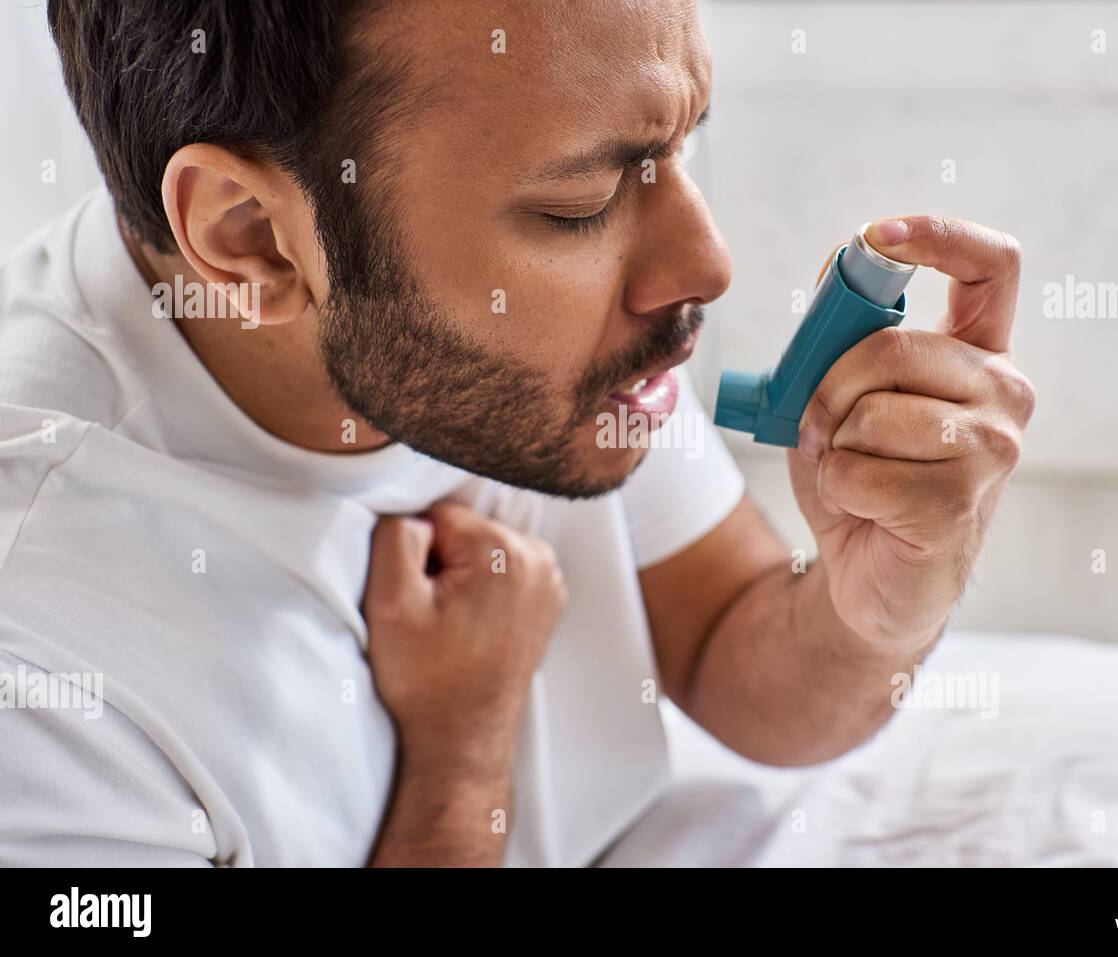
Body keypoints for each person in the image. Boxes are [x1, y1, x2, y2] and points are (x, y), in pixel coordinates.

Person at [1, 0, 1037, 866]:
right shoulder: (40, 663)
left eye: (677, 145)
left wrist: (878, 607)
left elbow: (739, 658)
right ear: (248, 237)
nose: (705, 265)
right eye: (580, 205)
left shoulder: (548, 345)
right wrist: (461, 751)